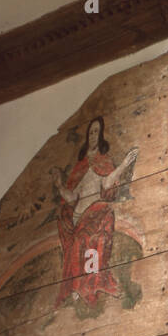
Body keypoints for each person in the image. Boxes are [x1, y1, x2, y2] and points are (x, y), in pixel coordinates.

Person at [53, 116, 138, 306]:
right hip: (78, 216)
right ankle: (77, 285)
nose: (92, 135)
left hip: (96, 212)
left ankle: (90, 284)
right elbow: (72, 197)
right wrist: (59, 186)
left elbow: (107, 183)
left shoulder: (104, 161)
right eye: (90, 132)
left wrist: (124, 164)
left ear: (100, 136)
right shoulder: (79, 167)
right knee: (78, 243)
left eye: (96, 132)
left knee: (91, 241)